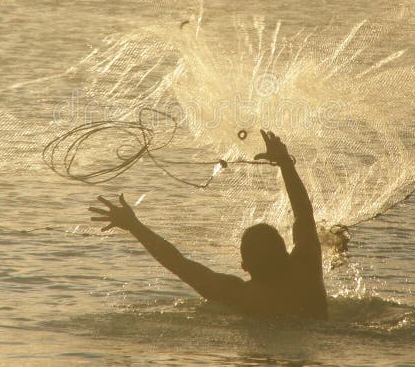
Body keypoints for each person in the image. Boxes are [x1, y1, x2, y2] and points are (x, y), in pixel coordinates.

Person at [89, 129, 327, 319]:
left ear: (244, 266)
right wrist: (285, 163)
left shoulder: (238, 295)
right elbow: (303, 214)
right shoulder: (307, 267)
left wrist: (134, 226)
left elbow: (177, 263)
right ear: (286, 252)